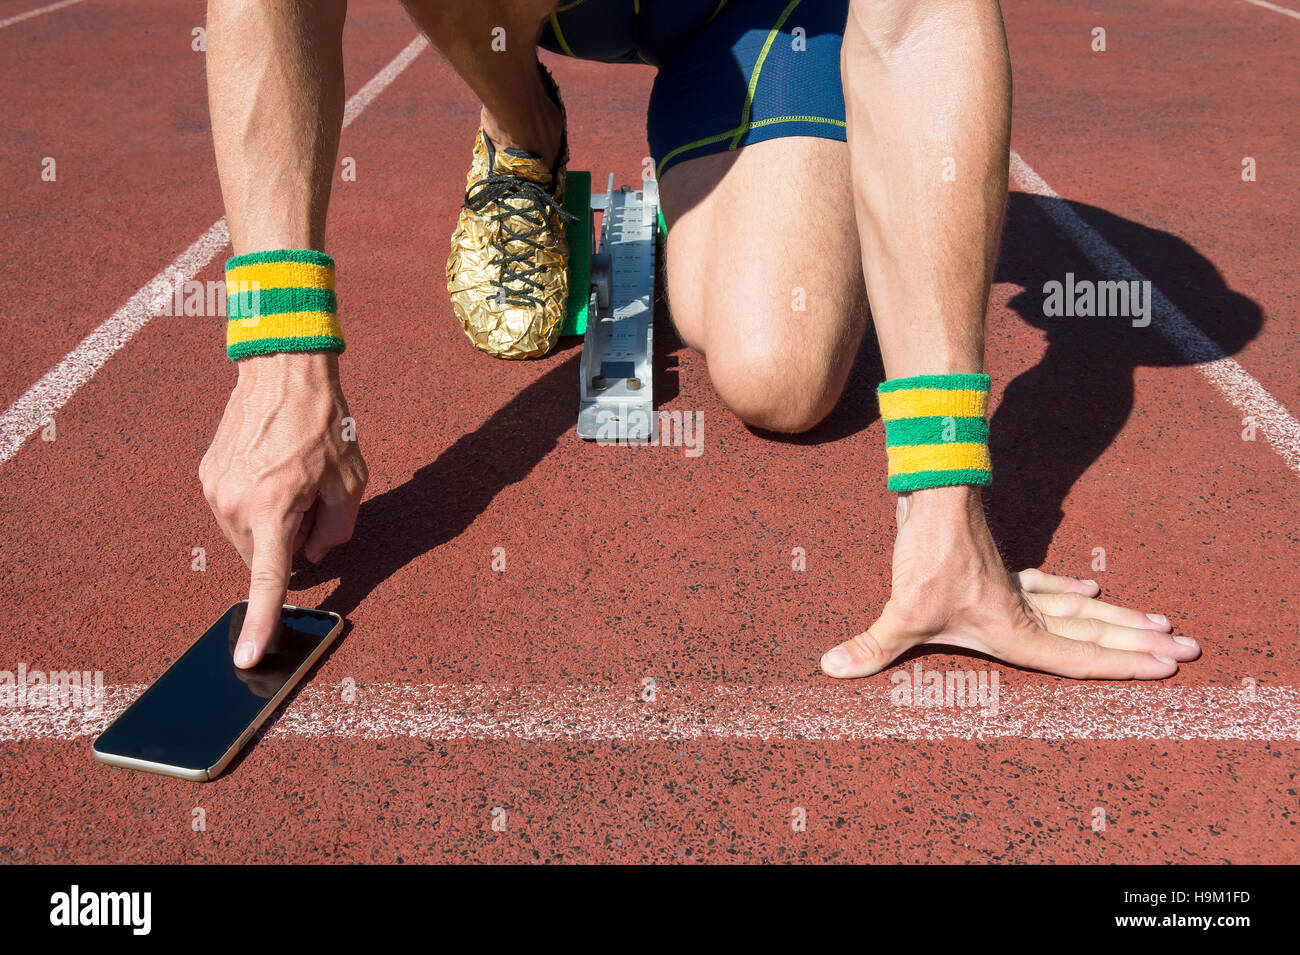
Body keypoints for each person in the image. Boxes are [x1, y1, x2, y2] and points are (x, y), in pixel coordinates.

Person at [200, 0, 1199, 679]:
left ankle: (713, 174)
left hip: (757, 12)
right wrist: (281, 353)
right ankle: (524, 131)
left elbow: (924, 23)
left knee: (782, 375)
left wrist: (946, 506)